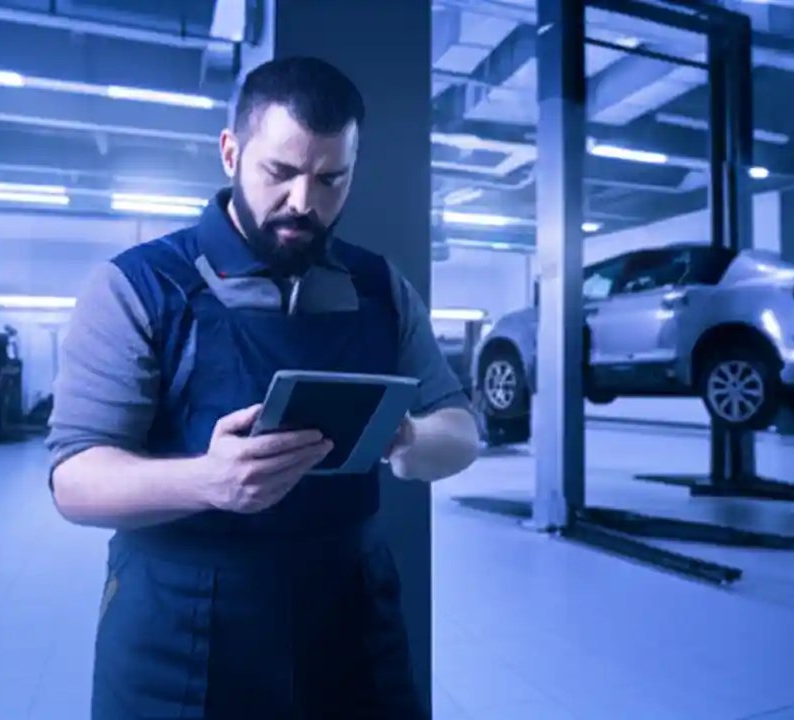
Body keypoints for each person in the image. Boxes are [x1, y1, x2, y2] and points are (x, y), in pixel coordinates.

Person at [47, 56, 480, 719]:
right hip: (179, 623)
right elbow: (74, 481)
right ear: (231, 152)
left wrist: (410, 437)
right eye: (279, 172)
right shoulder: (140, 287)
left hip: (352, 616)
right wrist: (207, 483)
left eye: (332, 179)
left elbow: (461, 430)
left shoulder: (381, 289)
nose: (304, 203)